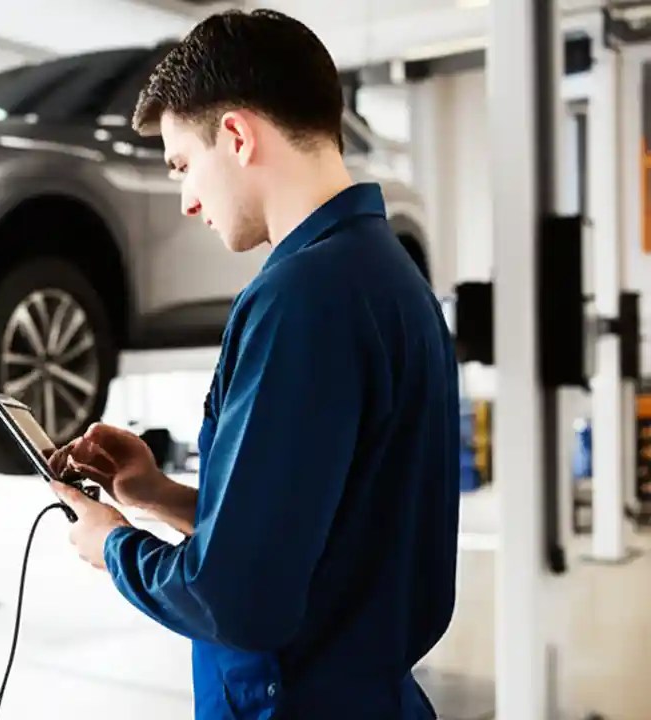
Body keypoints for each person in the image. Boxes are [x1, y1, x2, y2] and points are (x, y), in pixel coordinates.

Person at [48, 9, 459, 720]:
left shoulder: (300, 298)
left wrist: (112, 543)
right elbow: (318, 532)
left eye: (182, 165)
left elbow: (238, 603)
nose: (186, 200)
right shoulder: (386, 277)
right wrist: (156, 496)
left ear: (235, 137)